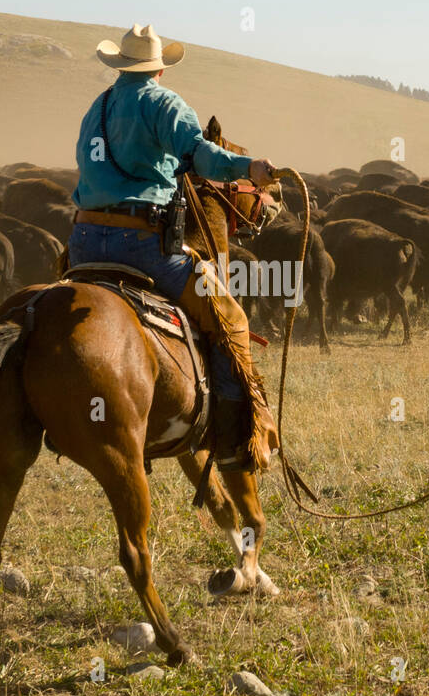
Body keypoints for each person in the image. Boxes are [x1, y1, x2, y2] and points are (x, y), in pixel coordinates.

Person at [70, 23, 279, 472]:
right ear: (159, 68)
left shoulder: (97, 107)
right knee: (231, 319)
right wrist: (251, 168)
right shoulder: (164, 103)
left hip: (84, 245)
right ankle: (228, 437)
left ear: (121, 64)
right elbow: (204, 160)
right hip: (143, 244)